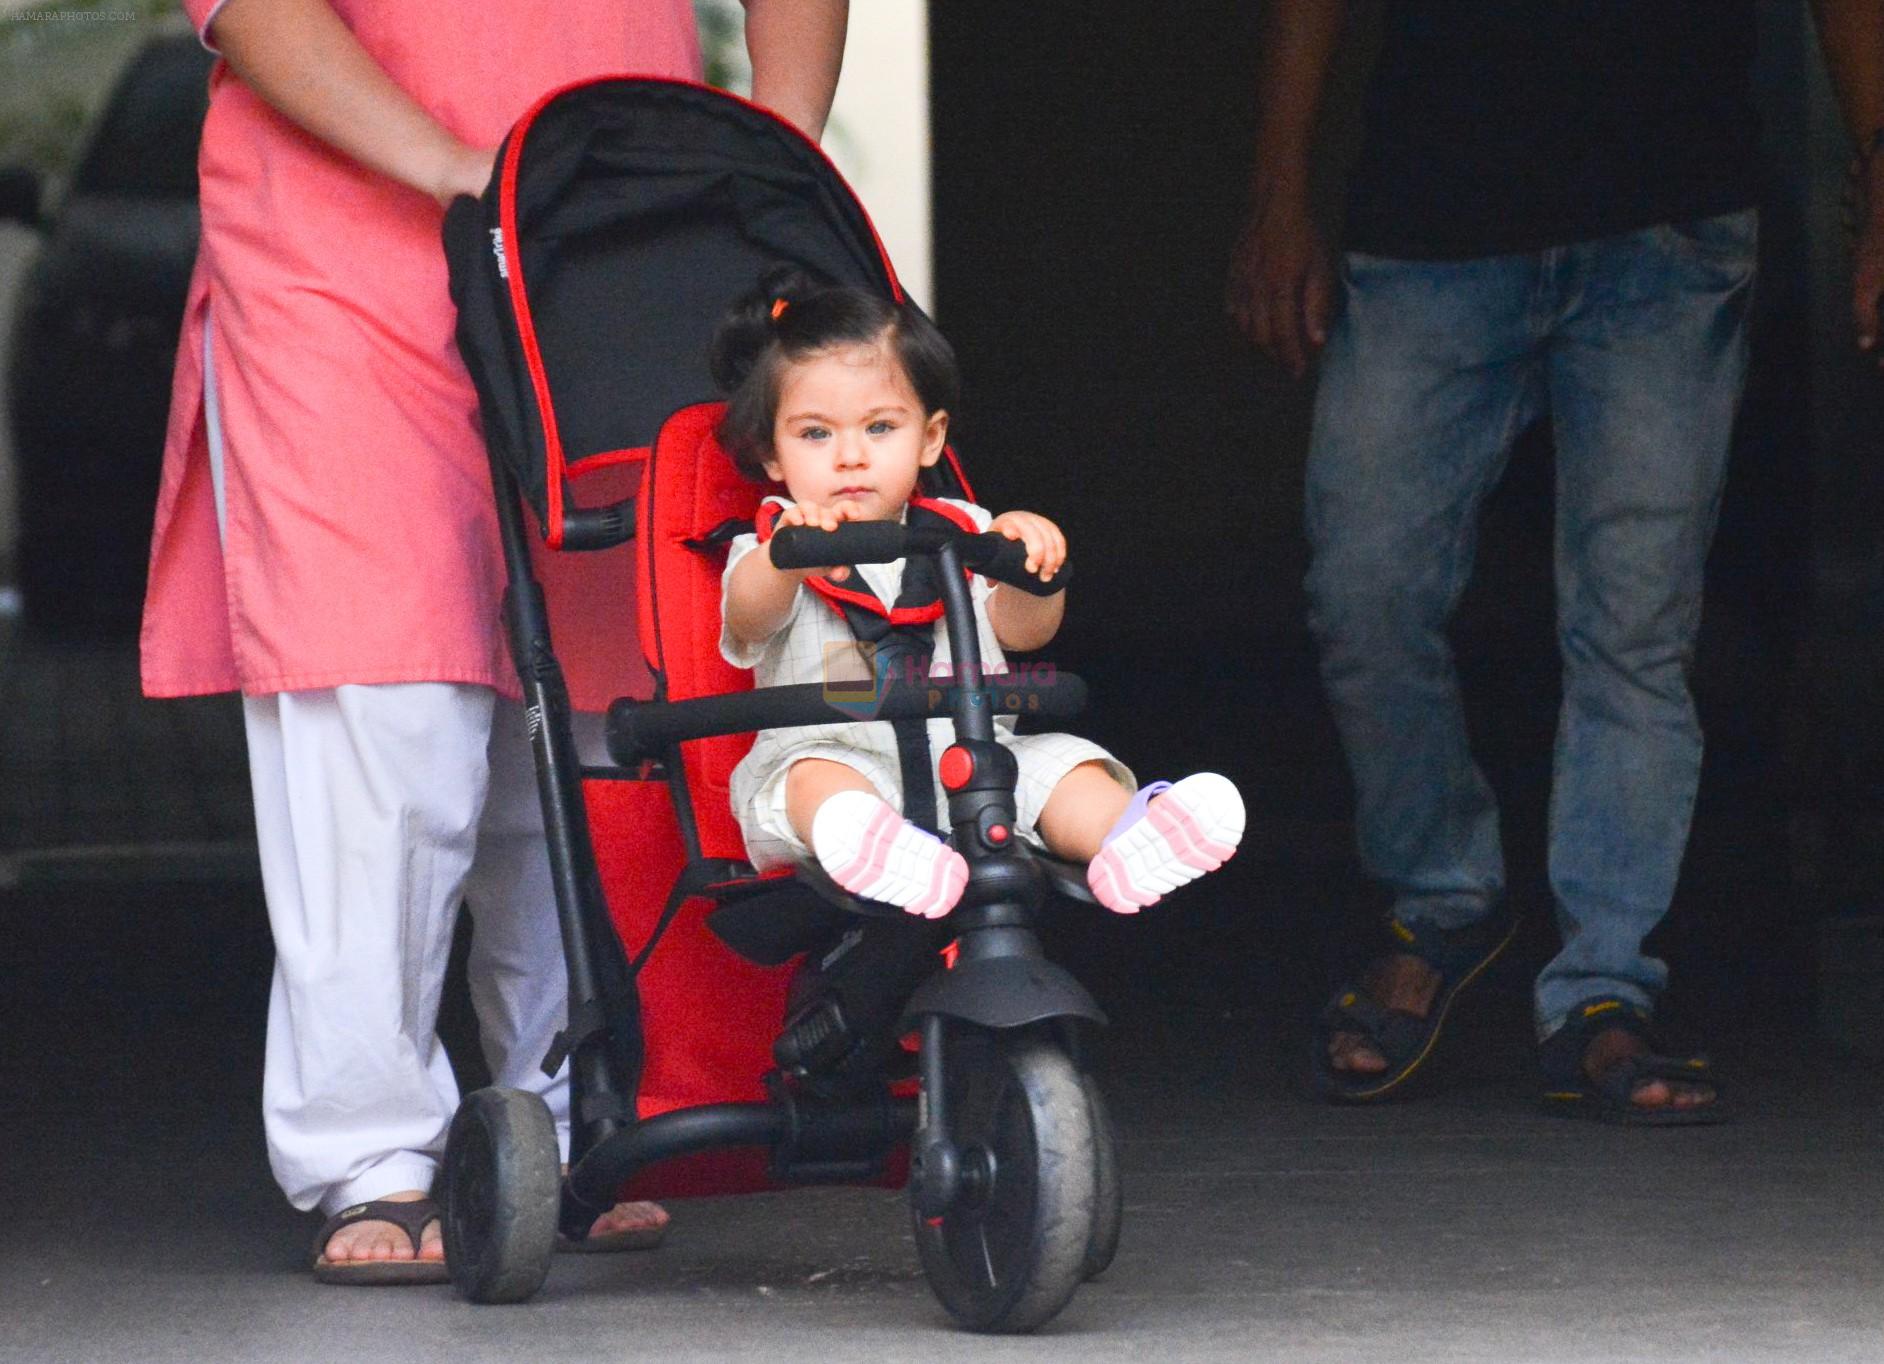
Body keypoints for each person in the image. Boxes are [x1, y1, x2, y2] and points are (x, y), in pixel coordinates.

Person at [141, 0, 849, 1282]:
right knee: (388, 694)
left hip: (613, 230)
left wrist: (778, 145)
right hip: (345, 237)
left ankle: (576, 1116)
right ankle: (373, 1155)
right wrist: (459, 166)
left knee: (594, 692)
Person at [1227, 0, 1884, 1123]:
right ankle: (1442, 898)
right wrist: (1279, 189)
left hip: (1671, 217)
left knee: (1635, 628)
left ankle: (1604, 985)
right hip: (1432, 211)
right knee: (1365, 590)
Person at [712, 280, 1247, 917]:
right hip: (842, 763)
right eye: (816, 434)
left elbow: (1022, 635)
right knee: (814, 782)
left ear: (930, 438)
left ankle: (1132, 839)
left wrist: (1030, 571)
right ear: (773, 452)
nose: (851, 457)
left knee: (1063, 767)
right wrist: (786, 564)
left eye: (880, 427)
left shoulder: (964, 530)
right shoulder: (774, 543)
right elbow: (750, 613)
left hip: (970, 763)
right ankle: (876, 848)